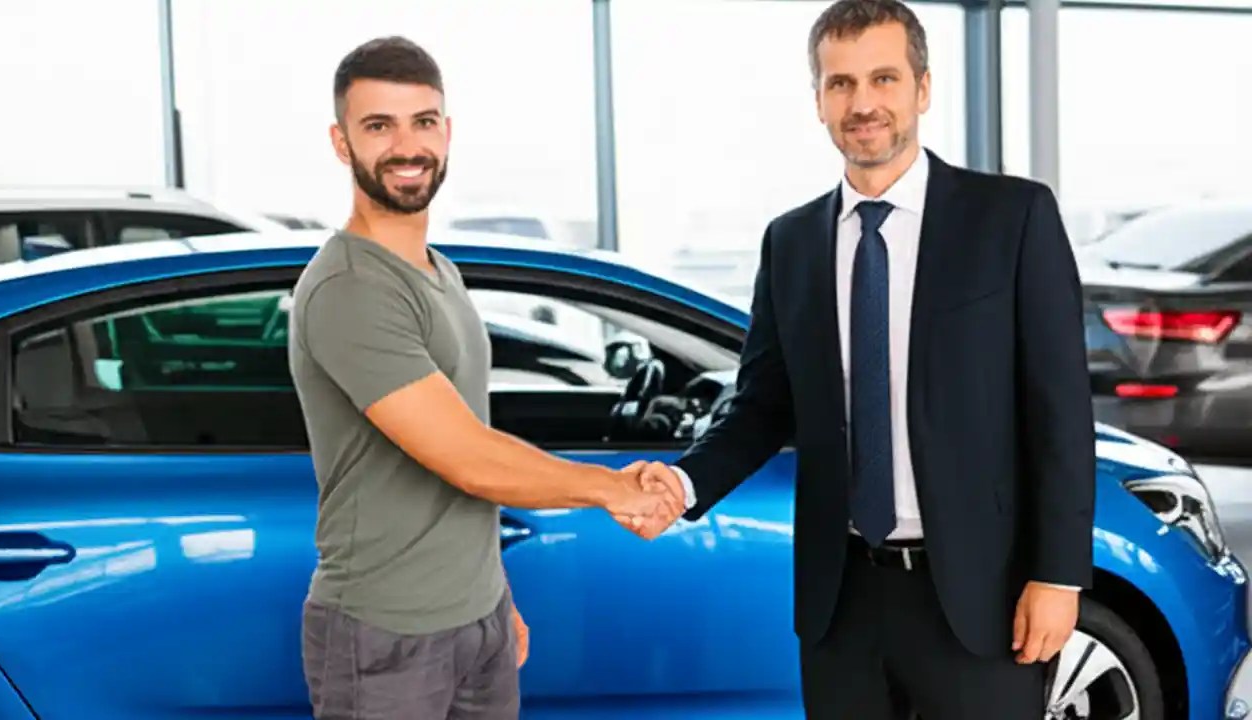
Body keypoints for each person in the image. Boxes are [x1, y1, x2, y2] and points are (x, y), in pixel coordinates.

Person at [635, 1, 1095, 717]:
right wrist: (685, 483)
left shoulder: (1012, 218)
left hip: (979, 595)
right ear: (818, 100)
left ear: (923, 88)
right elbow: (762, 407)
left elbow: (1060, 411)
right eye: (841, 83)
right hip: (841, 600)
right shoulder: (790, 243)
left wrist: (1059, 576)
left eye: (883, 78)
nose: (863, 103)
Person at [288, 36, 678, 720]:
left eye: (424, 122)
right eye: (379, 126)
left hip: (476, 623)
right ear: (341, 142)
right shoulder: (350, 288)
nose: (407, 146)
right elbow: (468, 460)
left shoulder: (441, 272)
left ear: (447, 131)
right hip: (386, 636)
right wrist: (613, 488)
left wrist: (493, 599)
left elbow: (470, 440)